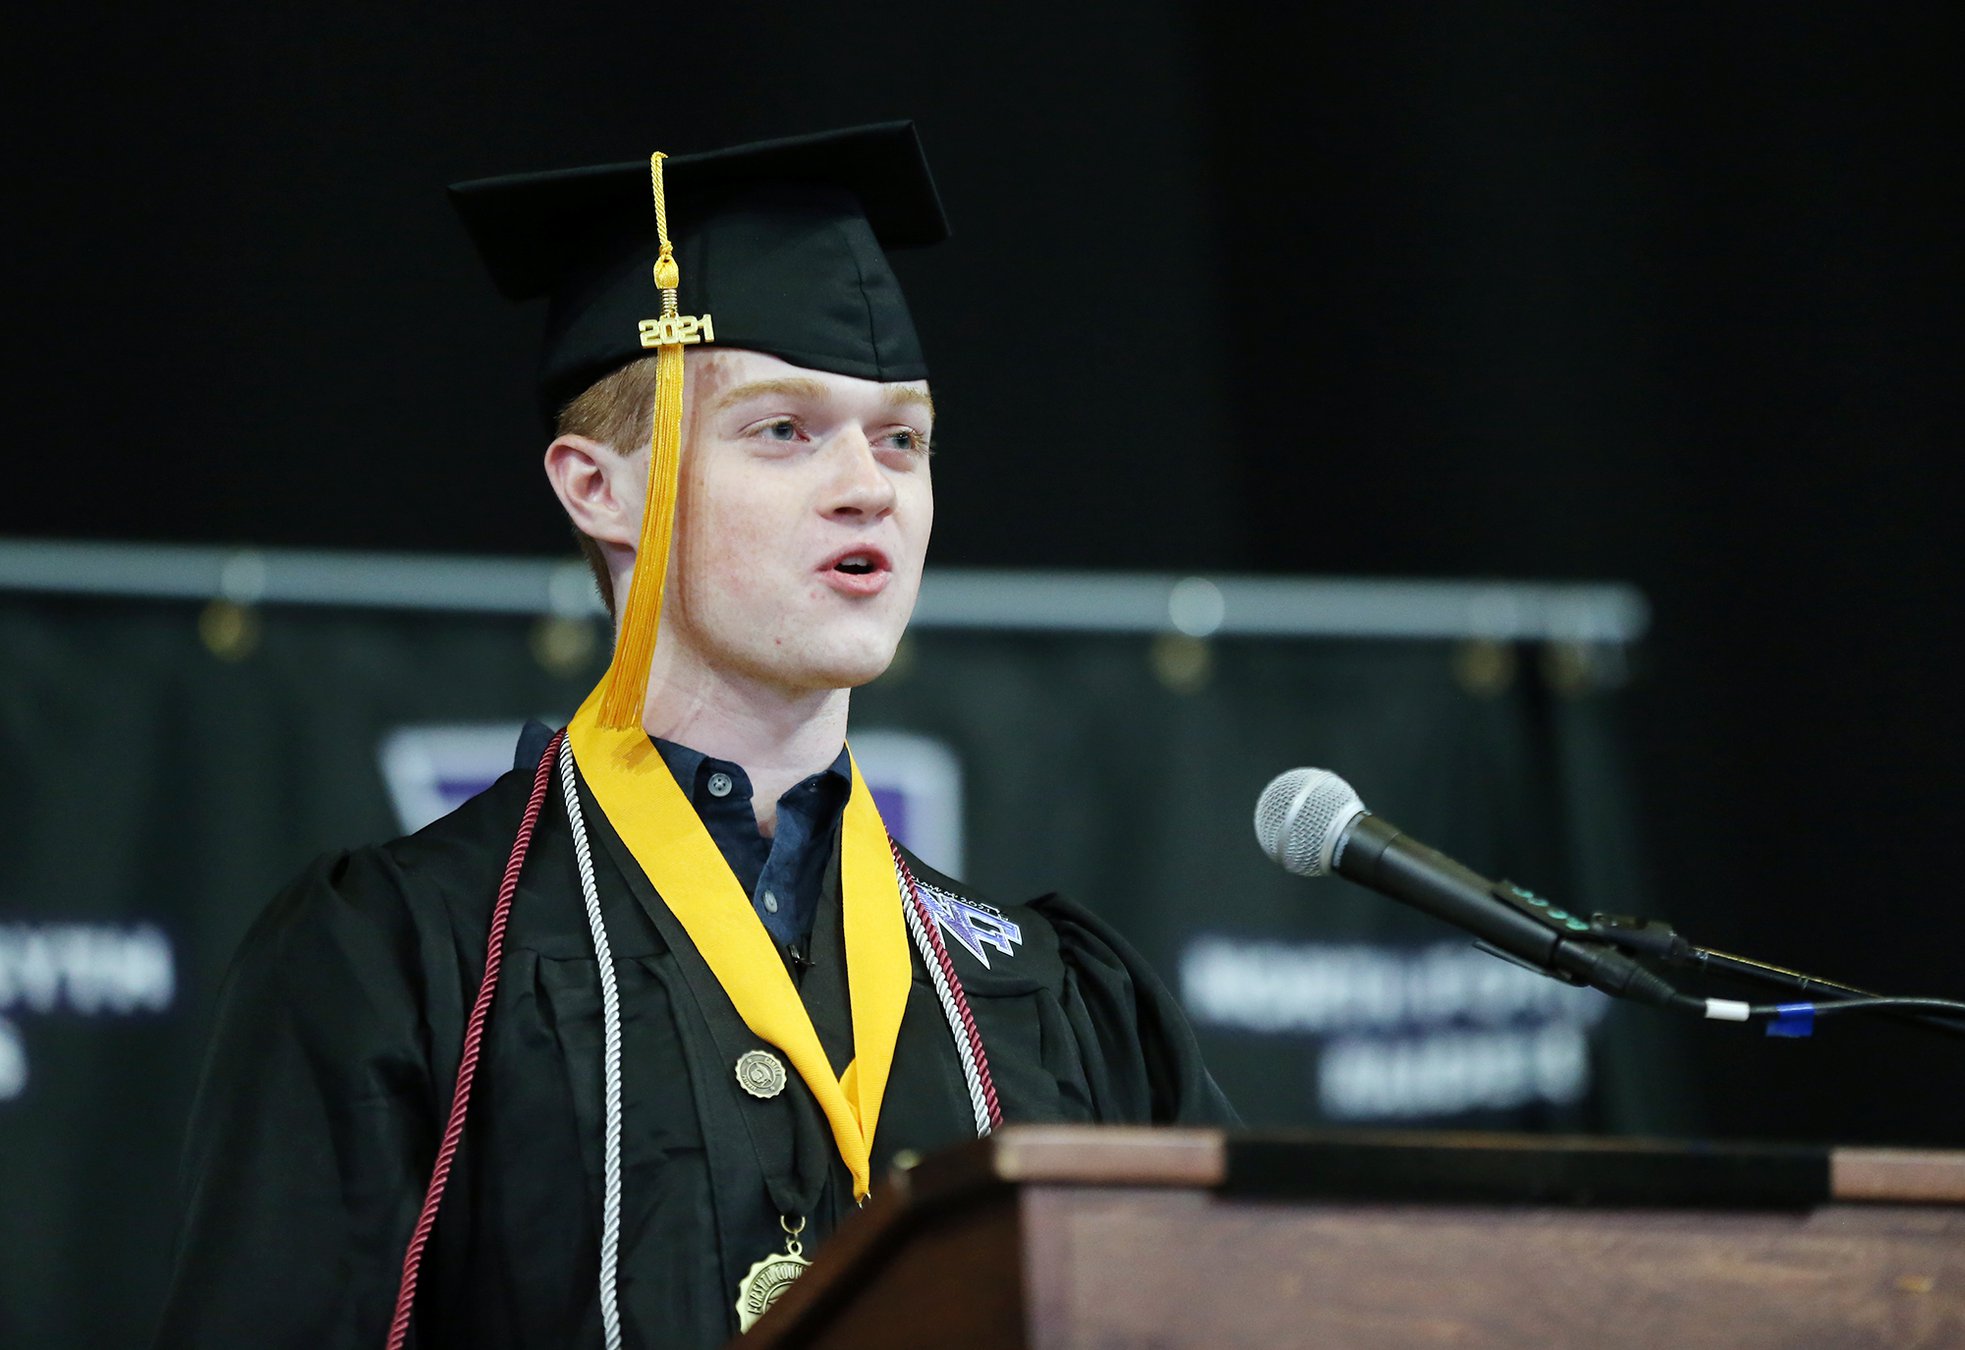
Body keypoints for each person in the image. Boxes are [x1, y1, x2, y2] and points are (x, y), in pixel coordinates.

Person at [155, 121, 1234, 1350]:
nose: (868, 485)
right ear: (596, 486)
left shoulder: (1043, 991)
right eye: (784, 430)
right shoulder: (409, 953)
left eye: (902, 439)